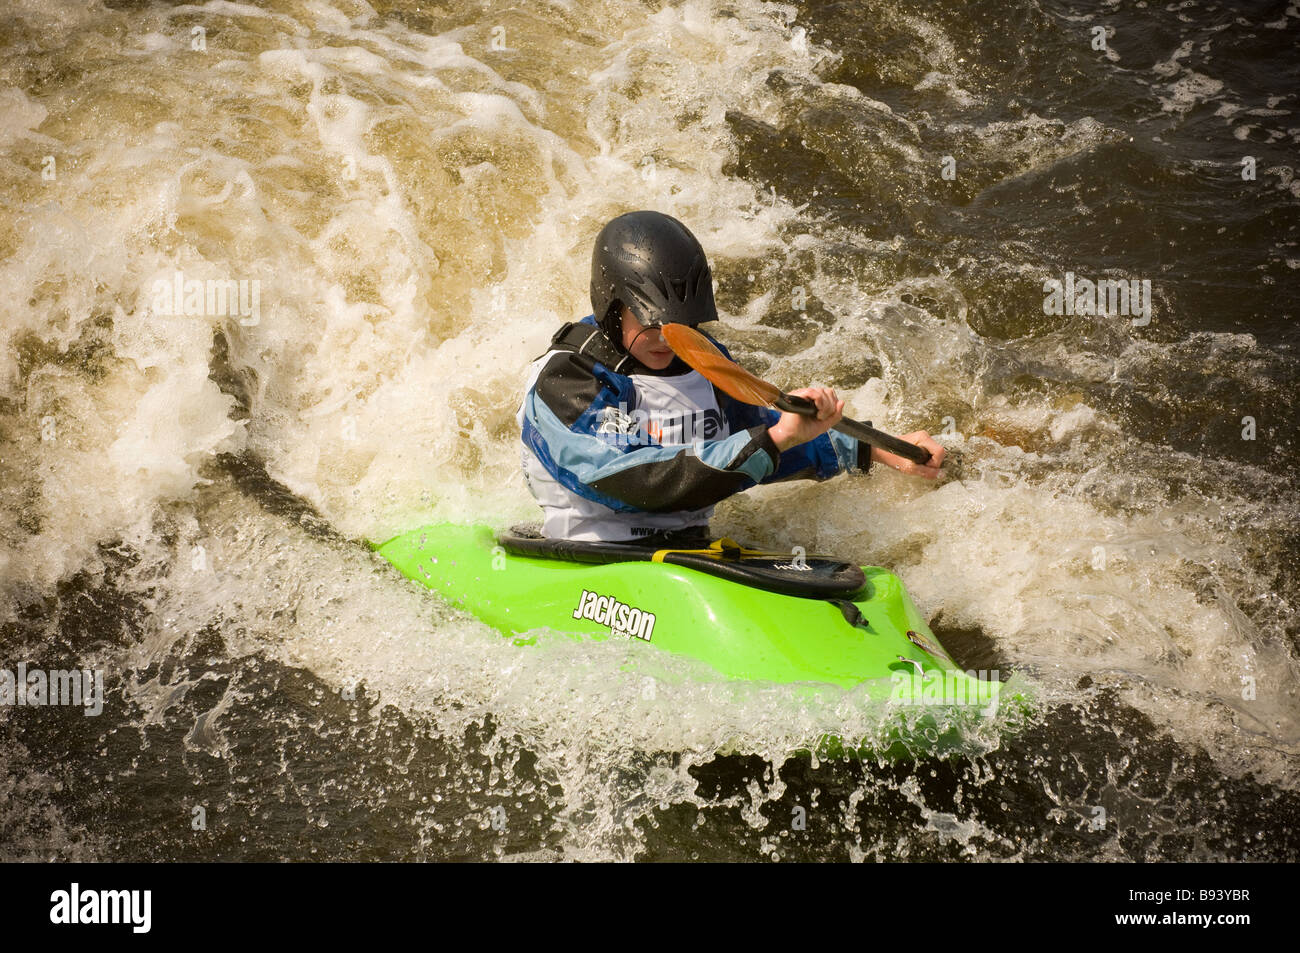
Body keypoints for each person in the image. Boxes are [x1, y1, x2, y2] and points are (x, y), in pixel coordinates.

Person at [517, 210, 945, 543]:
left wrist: (879, 451)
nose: (667, 340)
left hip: (687, 554)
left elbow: (761, 434)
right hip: (594, 559)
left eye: (680, 325)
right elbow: (631, 481)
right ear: (613, 307)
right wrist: (775, 440)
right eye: (653, 324)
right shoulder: (567, 381)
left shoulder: (704, 361)